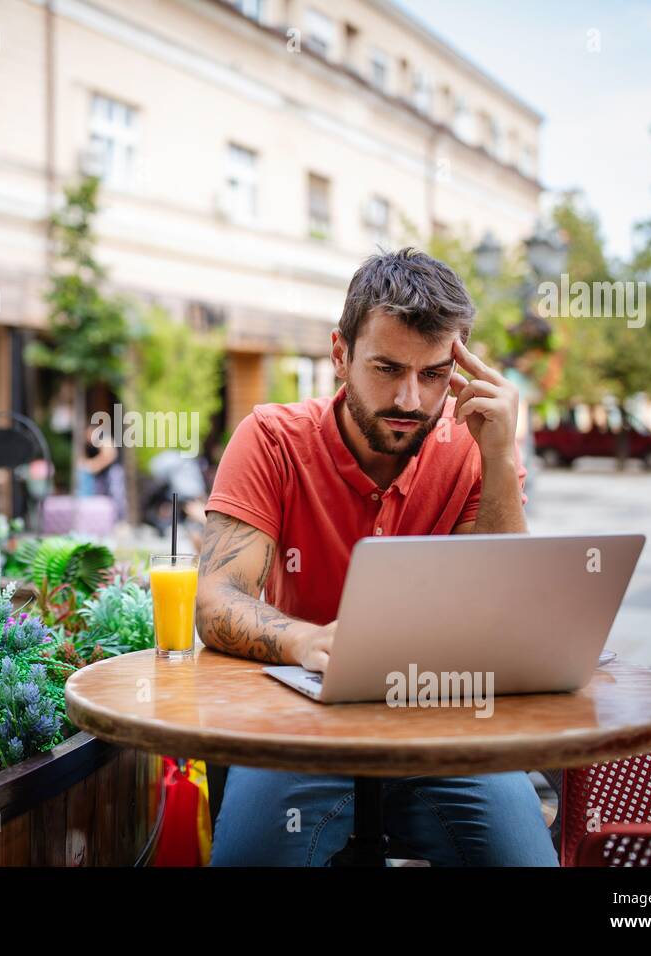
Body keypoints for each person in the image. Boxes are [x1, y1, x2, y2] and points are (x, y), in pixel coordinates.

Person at [198, 248, 557, 867]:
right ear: (340, 355)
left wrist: (499, 459)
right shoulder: (271, 438)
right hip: (301, 728)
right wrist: (308, 643)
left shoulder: (475, 448)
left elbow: (501, 610)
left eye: (434, 374)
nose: (411, 399)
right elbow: (216, 600)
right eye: (387, 368)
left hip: (444, 724)